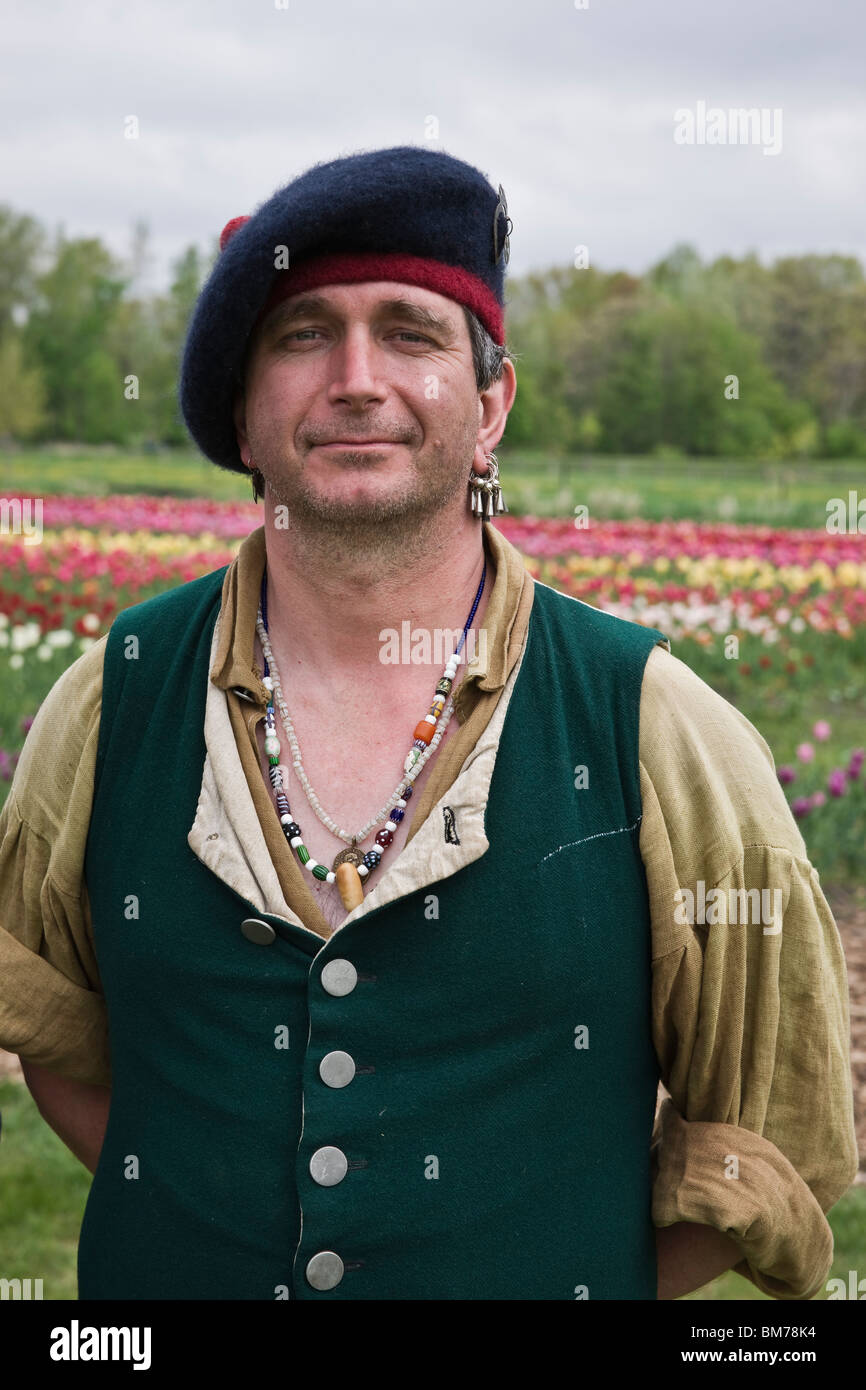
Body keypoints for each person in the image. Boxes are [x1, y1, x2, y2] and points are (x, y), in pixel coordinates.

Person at [0, 145, 857, 1301]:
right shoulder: (114, 696)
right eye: (303, 334)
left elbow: (768, 1147)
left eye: (409, 331)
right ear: (244, 415)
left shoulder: (656, 727)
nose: (356, 377)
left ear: (491, 402)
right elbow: (55, 1025)